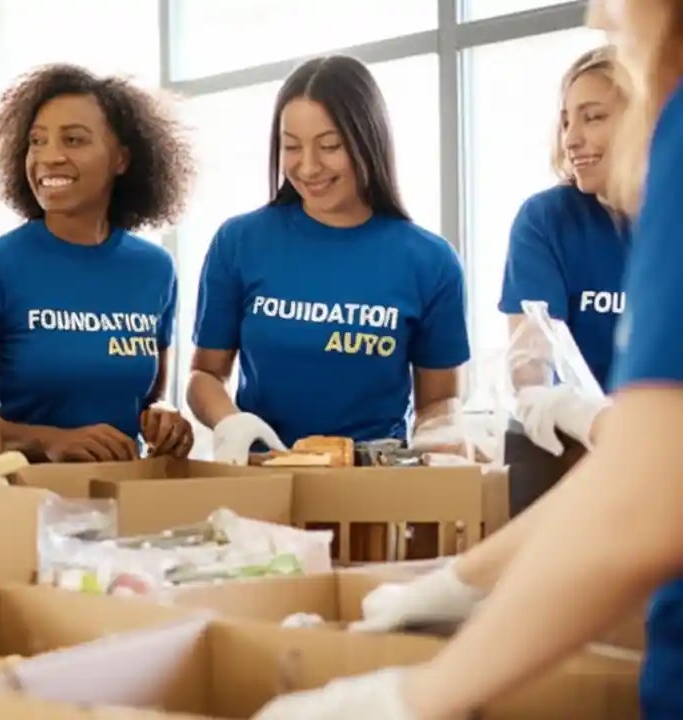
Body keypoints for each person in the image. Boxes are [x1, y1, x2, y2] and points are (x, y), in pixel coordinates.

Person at [255, 1, 683, 717]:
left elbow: (647, 494)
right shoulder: (552, 218)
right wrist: (461, 581)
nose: (602, 14)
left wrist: (416, 696)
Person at [186, 55, 471, 464]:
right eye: (291, 147)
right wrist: (231, 422)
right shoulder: (240, 242)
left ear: (367, 140)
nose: (308, 166)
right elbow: (205, 375)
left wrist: (440, 451)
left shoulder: (430, 261)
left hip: (373, 489)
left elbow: (439, 403)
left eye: (330, 146)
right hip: (263, 477)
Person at [0, 64, 196, 462]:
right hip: (26, 505)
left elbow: (149, 399)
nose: (50, 157)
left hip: (128, 501)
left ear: (121, 159)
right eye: (37, 142)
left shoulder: (155, 269)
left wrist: (166, 421)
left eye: (73, 140)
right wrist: (50, 441)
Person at [500, 46, 628, 458]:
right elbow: (532, 369)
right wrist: (592, 419)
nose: (572, 139)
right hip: (574, 454)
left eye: (593, 118)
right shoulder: (545, 220)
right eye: (567, 121)